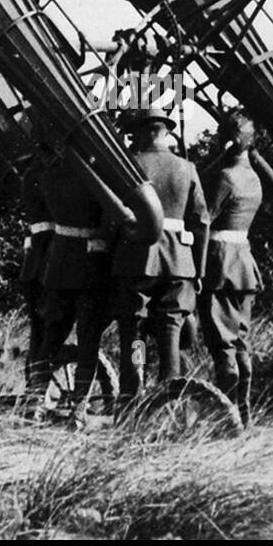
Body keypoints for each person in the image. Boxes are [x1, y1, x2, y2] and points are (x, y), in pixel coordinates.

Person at [70, 106, 208, 422]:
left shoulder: (130, 166)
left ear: (147, 132)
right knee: (170, 334)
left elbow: (112, 218)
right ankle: (171, 408)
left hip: (136, 261)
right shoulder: (187, 168)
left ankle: (131, 405)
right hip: (180, 265)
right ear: (166, 131)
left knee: (135, 335)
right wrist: (197, 269)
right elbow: (202, 220)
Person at [197, 112, 263, 426]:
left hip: (219, 261)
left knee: (220, 339)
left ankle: (226, 416)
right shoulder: (255, 180)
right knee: (241, 339)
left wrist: (197, 268)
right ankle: (244, 412)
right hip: (244, 263)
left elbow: (205, 219)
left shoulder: (224, 177)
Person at [29, 154, 110, 402]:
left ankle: (35, 401)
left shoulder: (47, 173)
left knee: (50, 338)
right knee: (88, 344)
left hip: (59, 263)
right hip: (91, 268)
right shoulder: (101, 174)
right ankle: (79, 408)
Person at [15, 157, 53, 393]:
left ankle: (36, 390)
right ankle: (37, 392)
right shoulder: (50, 174)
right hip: (49, 260)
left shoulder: (29, 174)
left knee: (39, 331)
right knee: (44, 330)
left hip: (33, 260)